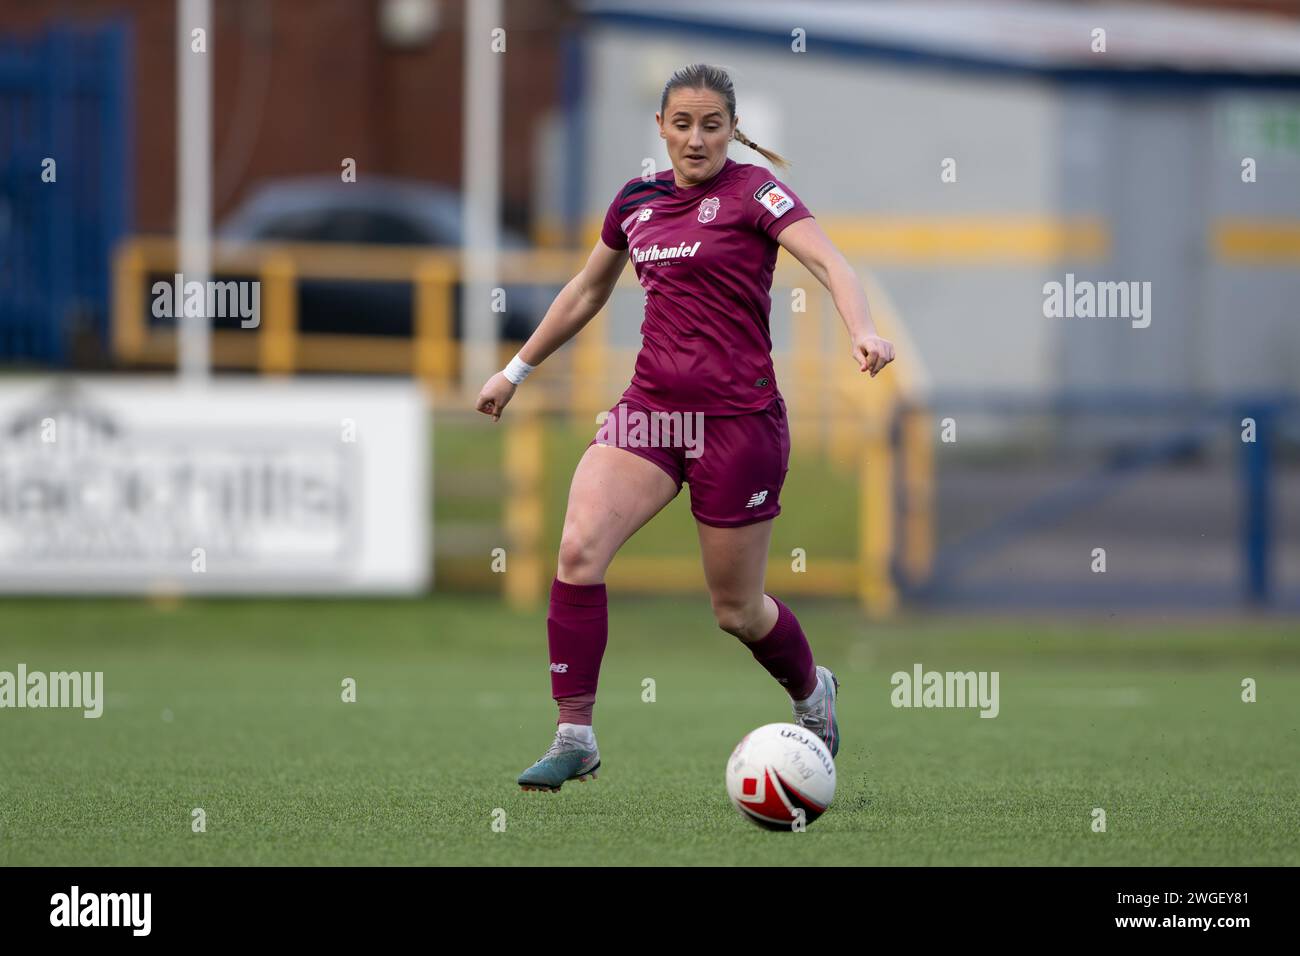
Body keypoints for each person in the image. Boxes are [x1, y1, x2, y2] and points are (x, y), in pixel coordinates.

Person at [475, 63, 896, 792]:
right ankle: (574, 733)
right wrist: (515, 370)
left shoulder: (755, 192)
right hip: (651, 413)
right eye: (682, 124)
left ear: (733, 130)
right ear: (661, 128)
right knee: (577, 549)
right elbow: (585, 291)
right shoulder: (636, 202)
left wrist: (863, 332)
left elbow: (832, 263)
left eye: (711, 125)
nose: (696, 139)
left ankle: (811, 692)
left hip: (740, 423)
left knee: (736, 609)